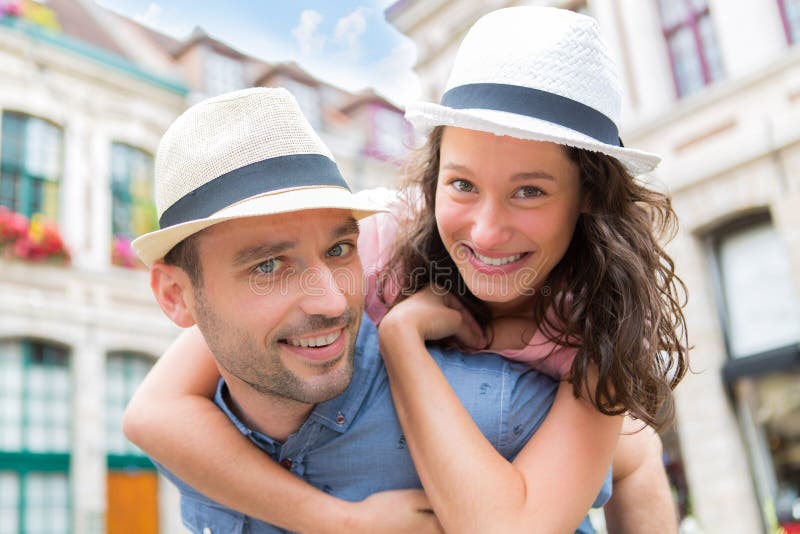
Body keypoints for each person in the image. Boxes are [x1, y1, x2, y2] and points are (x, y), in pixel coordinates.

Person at [126, 7, 687, 533]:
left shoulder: (600, 324)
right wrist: (340, 521)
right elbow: (155, 411)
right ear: (434, 177)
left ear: (587, 195)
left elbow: (608, 468)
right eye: (462, 184)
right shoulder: (379, 242)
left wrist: (402, 337)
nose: (486, 232)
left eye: (530, 191)